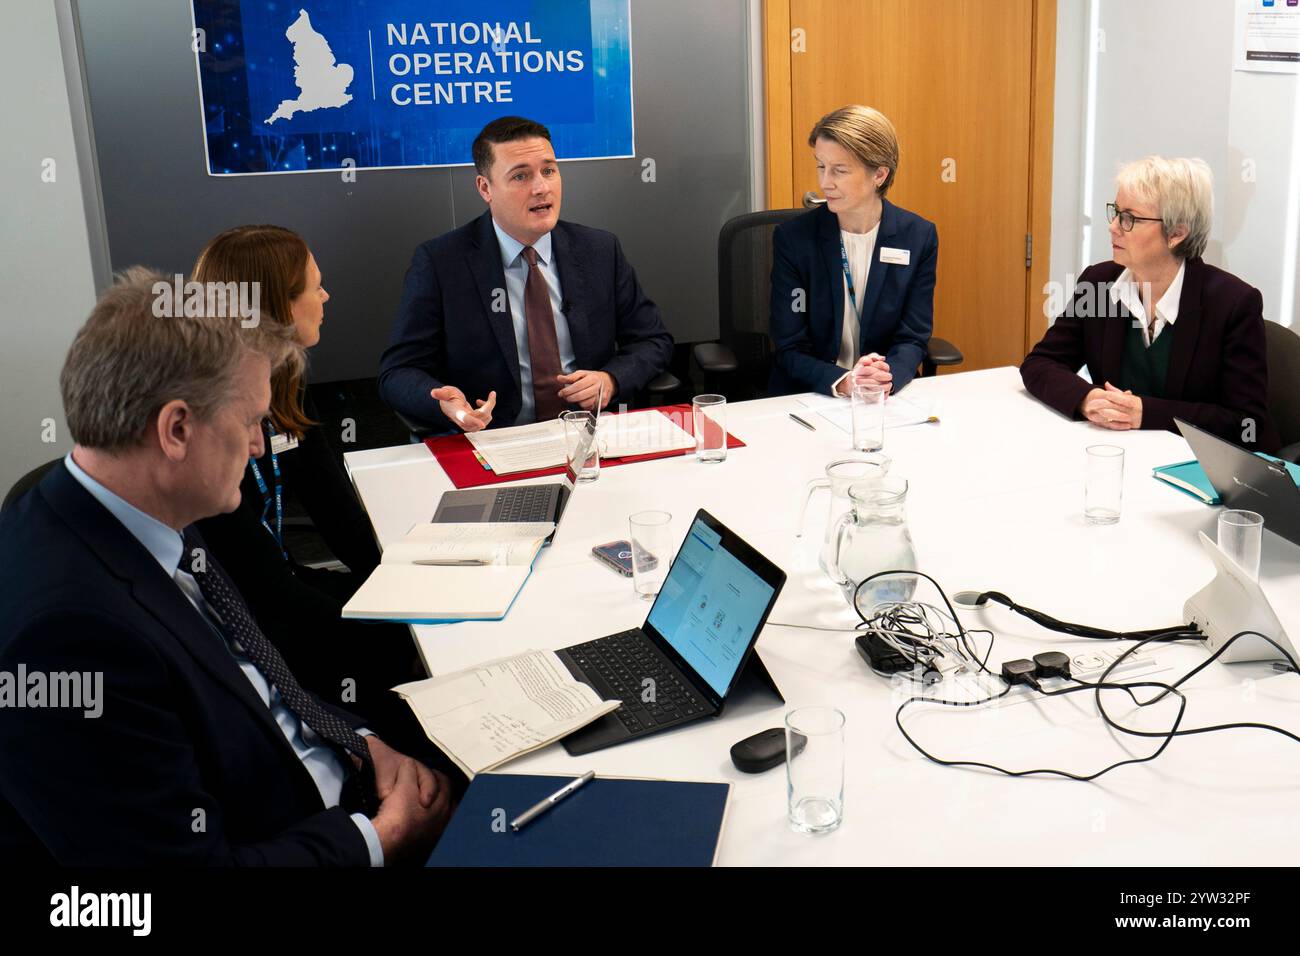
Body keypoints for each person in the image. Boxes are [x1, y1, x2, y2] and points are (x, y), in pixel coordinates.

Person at [0, 269, 452, 865]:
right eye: (249, 423)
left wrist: (364, 744)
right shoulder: (70, 639)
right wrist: (381, 837)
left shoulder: (141, 504)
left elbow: (258, 680)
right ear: (177, 430)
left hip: (336, 769)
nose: (262, 445)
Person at [191, 226, 423, 724]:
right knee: (403, 664)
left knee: (417, 637)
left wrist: (407, 591)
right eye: (313, 287)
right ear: (277, 306)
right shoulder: (209, 421)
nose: (325, 296)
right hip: (243, 623)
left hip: (287, 587)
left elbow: (342, 521)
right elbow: (262, 592)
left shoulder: (286, 379)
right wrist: (400, 627)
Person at [379, 115, 674, 434]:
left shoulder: (599, 250)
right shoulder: (440, 263)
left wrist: (610, 379)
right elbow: (399, 372)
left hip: (589, 436)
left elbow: (652, 339)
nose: (541, 188)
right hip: (494, 440)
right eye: (520, 176)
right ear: (485, 188)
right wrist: (442, 403)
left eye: (548, 170)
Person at [1021, 156, 1279, 451]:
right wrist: (1086, 398)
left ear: (1177, 233)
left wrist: (1145, 412)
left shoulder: (1233, 304)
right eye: (1116, 213)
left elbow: (1246, 424)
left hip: (1198, 472)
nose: (1114, 227)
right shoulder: (1099, 283)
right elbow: (1039, 363)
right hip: (1122, 455)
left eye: (1130, 218)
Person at [769, 105, 937, 398]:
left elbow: (913, 337)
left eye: (840, 171)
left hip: (884, 395)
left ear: (879, 175)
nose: (824, 183)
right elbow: (789, 345)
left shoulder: (918, 236)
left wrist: (887, 377)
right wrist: (844, 381)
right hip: (813, 392)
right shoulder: (794, 239)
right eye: (821, 166)